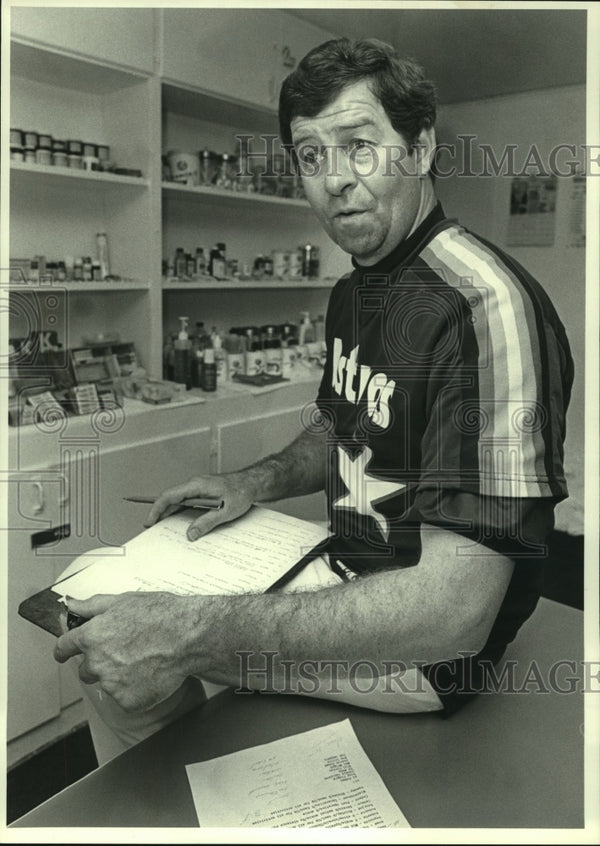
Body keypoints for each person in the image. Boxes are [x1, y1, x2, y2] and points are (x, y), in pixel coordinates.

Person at [54, 38, 573, 763]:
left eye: (359, 145)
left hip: (429, 650)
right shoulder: (355, 288)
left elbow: (454, 612)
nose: (334, 180)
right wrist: (252, 482)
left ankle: (174, 803)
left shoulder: (483, 307)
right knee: (113, 610)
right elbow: (344, 421)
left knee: (118, 651)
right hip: (344, 563)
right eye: (309, 155)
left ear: (420, 149)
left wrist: (190, 633)